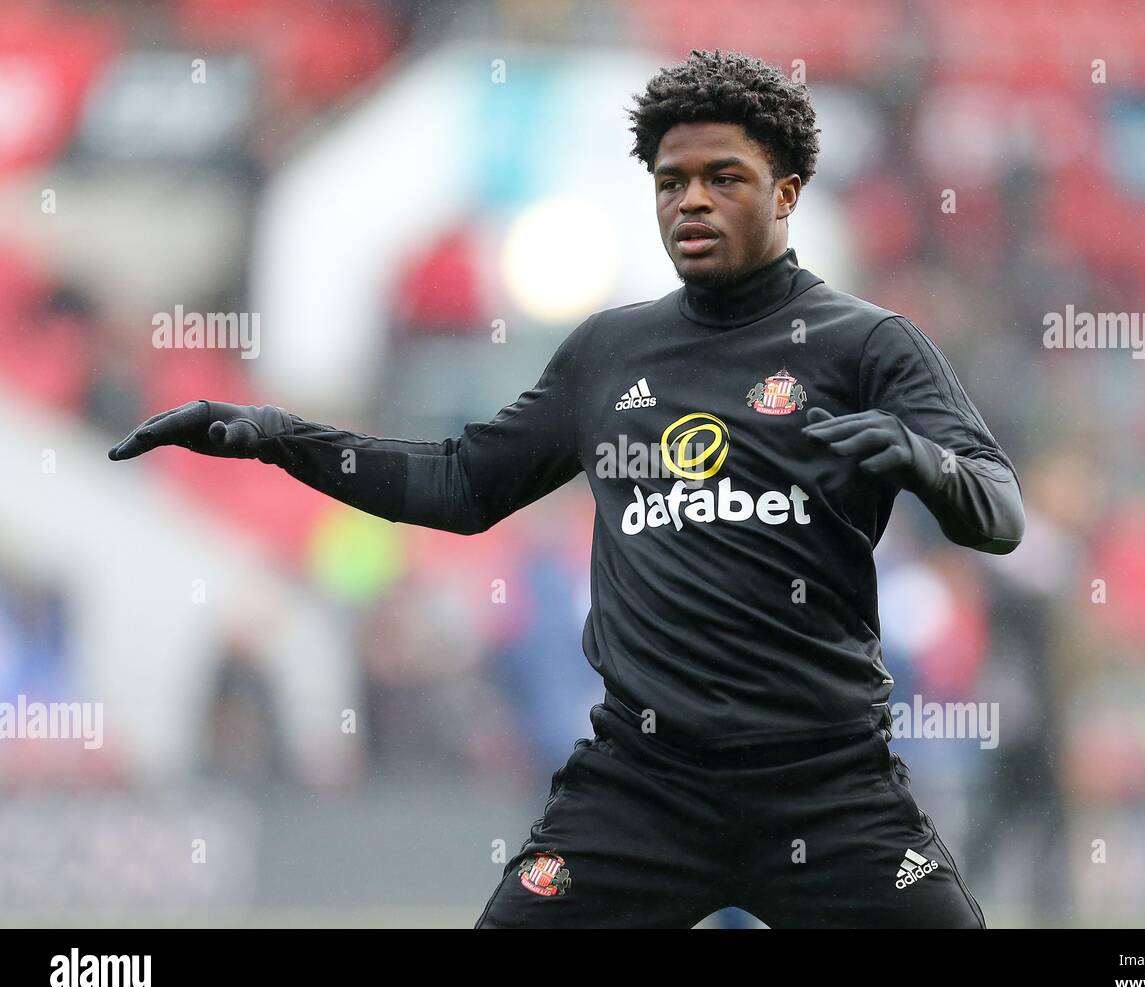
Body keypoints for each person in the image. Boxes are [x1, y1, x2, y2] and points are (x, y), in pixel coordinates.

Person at [109, 49, 1024, 928]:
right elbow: (462, 488)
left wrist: (922, 461)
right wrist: (283, 438)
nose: (691, 200)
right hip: (643, 788)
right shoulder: (608, 353)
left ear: (786, 191)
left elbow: (999, 514)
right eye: (672, 181)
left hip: (826, 787)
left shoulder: (868, 347)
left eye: (725, 177)